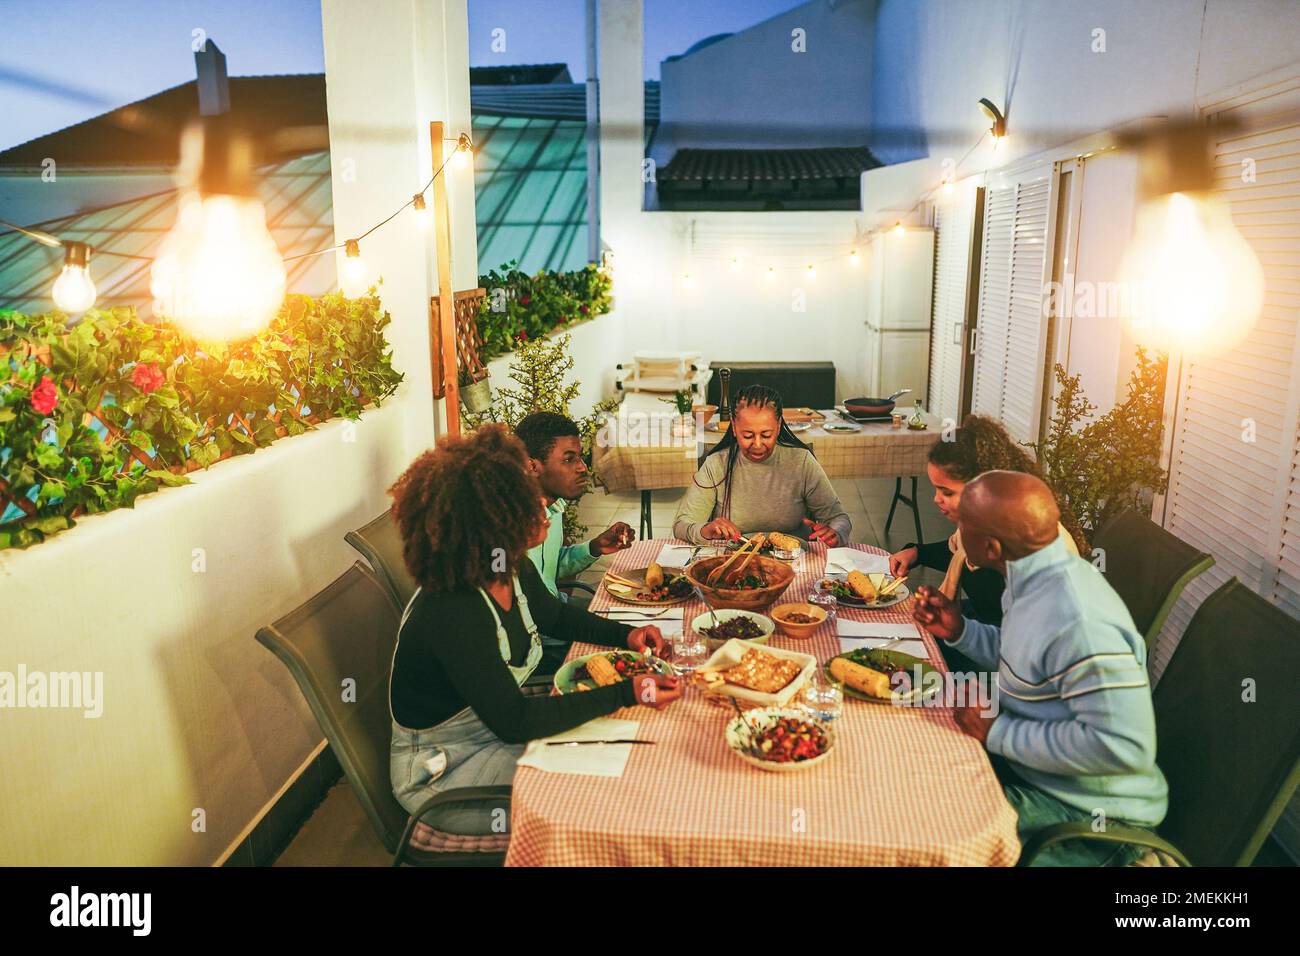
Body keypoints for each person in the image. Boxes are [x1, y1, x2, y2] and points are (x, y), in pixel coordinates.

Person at [387, 425, 681, 838]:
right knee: (609, 801)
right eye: (530, 504)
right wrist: (629, 691)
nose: (544, 508)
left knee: (637, 755)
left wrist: (625, 635)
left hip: (495, 728)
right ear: (491, 522)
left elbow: (556, 618)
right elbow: (516, 720)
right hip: (448, 769)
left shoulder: (505, 561)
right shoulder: (453, 608)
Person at [912, 470, 1167, 866]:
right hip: (1037, 773)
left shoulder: (1078, 618)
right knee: (914, 765)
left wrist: (999, 732)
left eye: (963, 524)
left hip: (1091, 820)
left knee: (923, 831)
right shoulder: (1032, 573)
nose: (955, 532)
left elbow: (1124, 747)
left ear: (991, 547)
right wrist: (960, 631)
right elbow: (1029, 656)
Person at [889, 415, 1088, 626]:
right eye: (936, 488)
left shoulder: (1028, 548)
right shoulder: (985, 521)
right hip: (989, 623)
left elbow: (1015, 641)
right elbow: (959, 552)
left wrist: (961, 632)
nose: (936, 499)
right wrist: (917, 553)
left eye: (947, 492)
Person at [673, 384, 851, 546]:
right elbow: (682, 525)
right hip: (734, 560)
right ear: (734, 428)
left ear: (779, 426)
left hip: (796, 561)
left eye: (766, 435)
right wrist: (705, 530)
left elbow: (838, 518)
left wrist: (835, 533)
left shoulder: (801, 461)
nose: (757, 444)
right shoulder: (716, 465)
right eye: (748, 435)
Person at [514, 411, 635, 599]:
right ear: (532, 467)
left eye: (580, 457)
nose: (582, 468)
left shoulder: (555, 506)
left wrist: (594, 547)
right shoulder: (509, 524)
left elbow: (550, 567)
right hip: (541, 623)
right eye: (569, 459)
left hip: (558, 610)